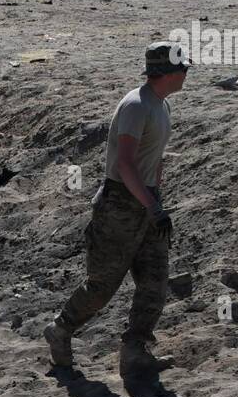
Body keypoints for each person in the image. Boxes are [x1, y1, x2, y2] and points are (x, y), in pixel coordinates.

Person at [44, 42, 188, 378]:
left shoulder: (161, 104)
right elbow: (124, 164)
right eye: (183, 69)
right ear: (167, 72)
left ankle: (134, 351)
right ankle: (61, 329)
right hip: (120, 205)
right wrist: (152, 205)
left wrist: (156, 199)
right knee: (102, 286)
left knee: (155, 281)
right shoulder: (137, 106)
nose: (186, 75)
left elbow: (151, 159)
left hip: (147, 202)